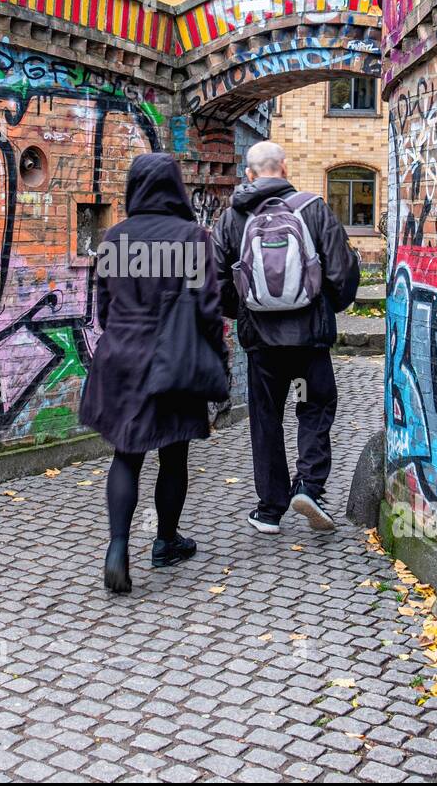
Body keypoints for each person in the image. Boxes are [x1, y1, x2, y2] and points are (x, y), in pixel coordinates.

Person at [80, 153, 227, 594]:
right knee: (174, 455)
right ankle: (165, 541)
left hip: (120, 359)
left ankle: (118, 547)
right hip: (173, 361)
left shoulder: (114, 238)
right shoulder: (192, 239)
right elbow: (208, 309)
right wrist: (216, 359)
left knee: (125, 454)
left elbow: (103, 309)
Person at [213, 141, 360, 534]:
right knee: (314, 406)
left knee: (266, 418)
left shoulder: (231, 218)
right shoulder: (312, 208)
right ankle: (310, 487)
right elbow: (342, 274)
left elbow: (214, 281)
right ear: (285, 168)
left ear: (249, 174)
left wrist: (246, 308)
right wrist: (327, 306)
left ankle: (270, 509)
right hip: (309, 338)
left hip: (261, 342)